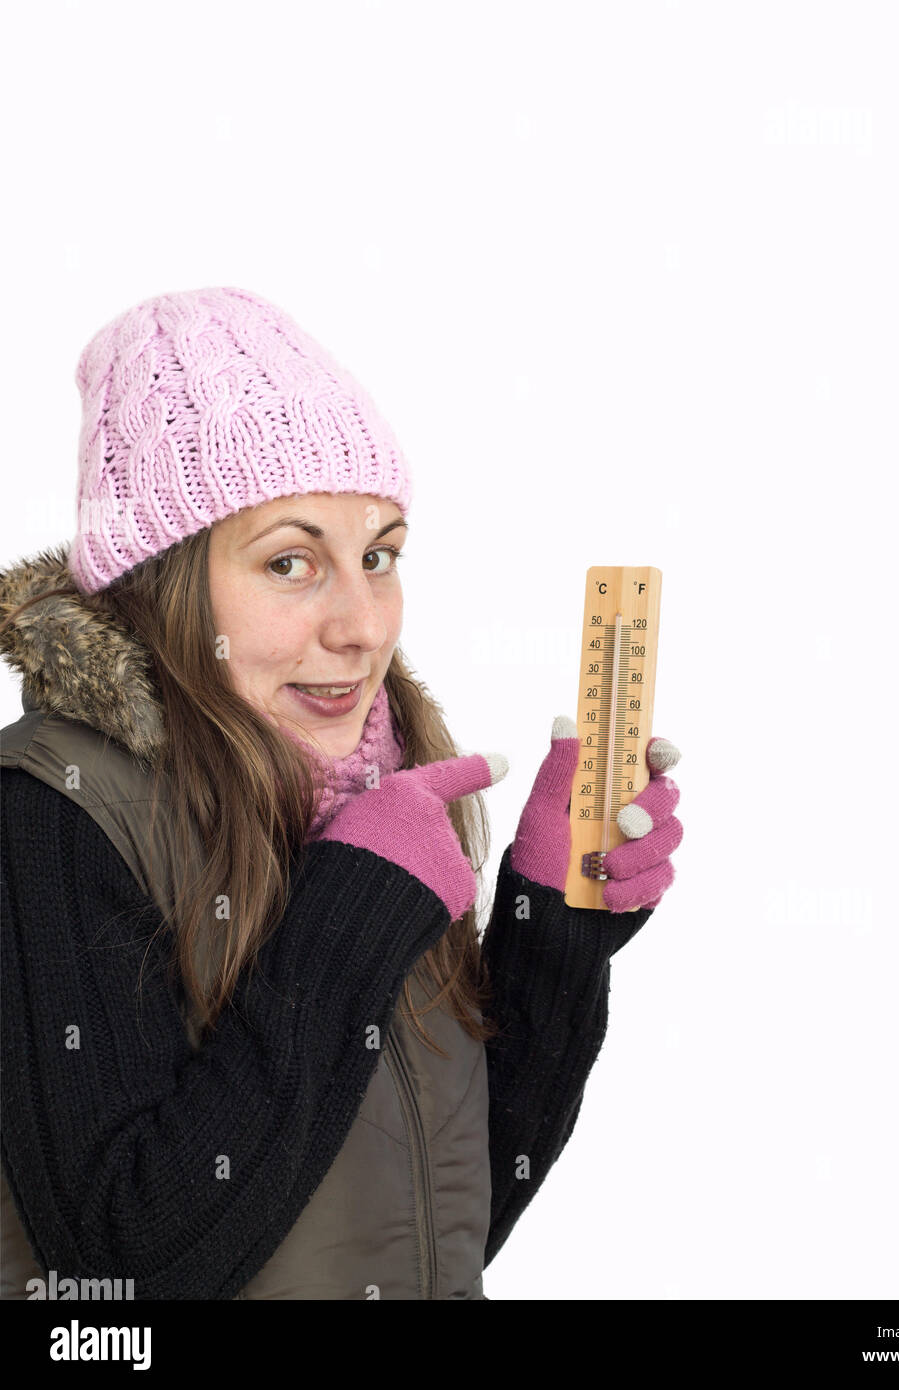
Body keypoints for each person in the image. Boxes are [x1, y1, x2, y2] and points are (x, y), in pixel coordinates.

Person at [0, 286, 683, 1300]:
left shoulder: (384, 787)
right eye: (291, 560)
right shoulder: (54, 808)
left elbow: (444, 1219)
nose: (363, 625)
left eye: (379, 555)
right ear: (162, 582)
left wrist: (554, 925)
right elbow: (116, 1269)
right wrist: (350, 915)